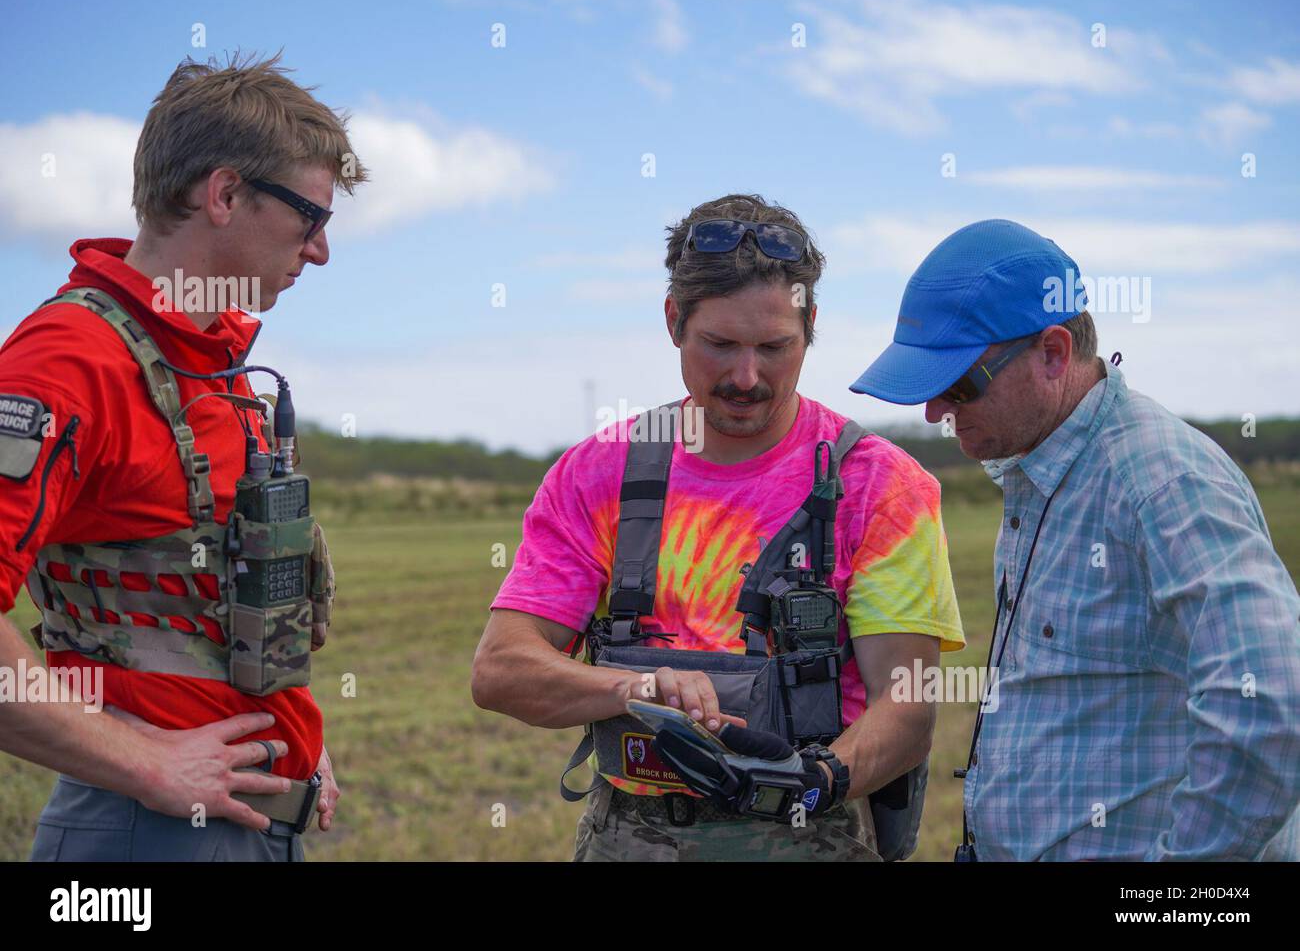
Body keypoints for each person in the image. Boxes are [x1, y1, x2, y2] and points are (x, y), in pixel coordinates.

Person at [473, 193, 965, 861]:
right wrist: (636, 689)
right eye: (720, 345)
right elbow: (501, 669)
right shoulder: (596, 474)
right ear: (674, 320)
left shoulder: (882, 485)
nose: (746, 376)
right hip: (629, 837)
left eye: (774, 347)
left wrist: (810, 785)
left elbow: (905, 711)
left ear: (811, 324)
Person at [0, 53, 367, 861]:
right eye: (311, 218)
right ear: (226, 194)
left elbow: (203, 606)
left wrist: (292, 733)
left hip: (248, 822)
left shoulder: (211, 365)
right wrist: (146, 762)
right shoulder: (69, 360)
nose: (320, 251)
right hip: (147, 833)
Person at [850, 218, 1300, 861]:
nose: (934, 411)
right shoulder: (1036, 468)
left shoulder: (1163, 481)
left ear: (1054, 353)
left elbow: (1272, 701)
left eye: (960, 384)